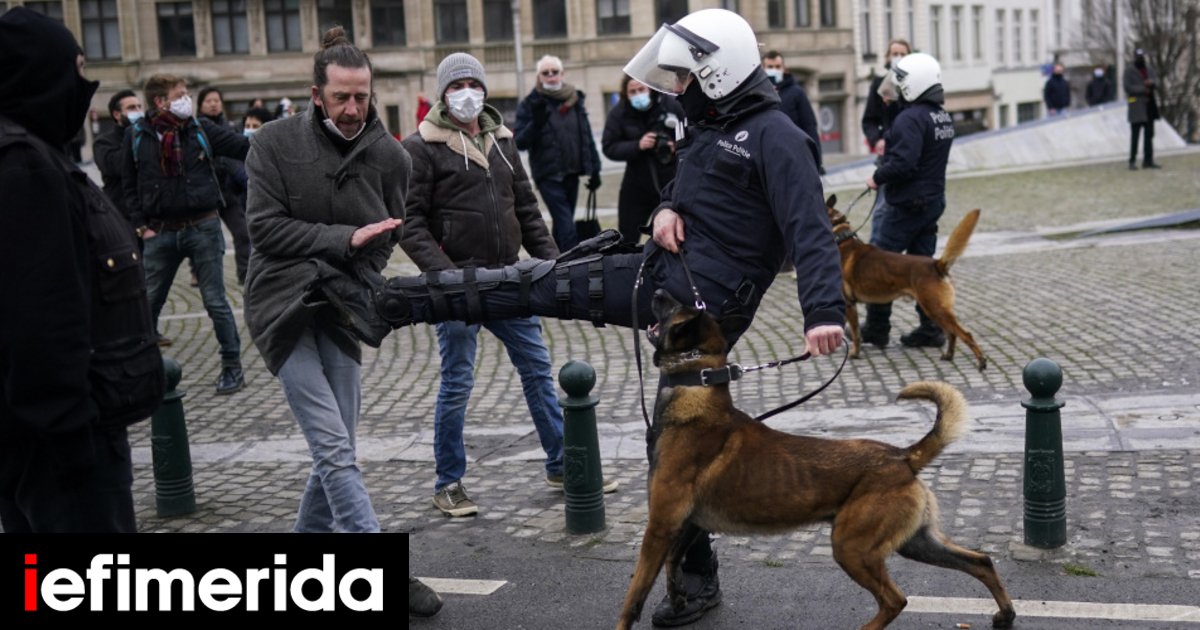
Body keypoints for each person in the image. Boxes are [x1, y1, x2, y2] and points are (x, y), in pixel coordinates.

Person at [318, 9, 844, 625]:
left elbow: (810, 227)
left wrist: (823, 311)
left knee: (666, 444)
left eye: (687, 75)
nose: (679, 86)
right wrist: (669, 208)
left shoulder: (777, 136)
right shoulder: (712, 122)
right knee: (533, 285)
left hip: (705, 311)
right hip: (664, 276)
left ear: (719, 72)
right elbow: (690, 183)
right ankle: (389, 305)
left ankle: (696, 585)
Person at [402, 53, 616, 518]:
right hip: (457, 288)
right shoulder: (421, 146)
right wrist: (444, 275)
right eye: (456, 85)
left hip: (509, 280)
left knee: (539, 371)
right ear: (442, 93)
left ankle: (562, 463)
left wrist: (558, 268)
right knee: (457, 382)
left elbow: (527, 210)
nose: (467, 93)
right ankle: (449, 481)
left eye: (472, 84)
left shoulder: (502, 140)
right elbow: (411, 223)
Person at [1, 7, 164, 532]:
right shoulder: (25, 168)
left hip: (42, 436)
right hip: (62, 446)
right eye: (76, 69)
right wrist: (69, 440)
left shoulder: (33, 156)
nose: (85, 85)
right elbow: (40, 318)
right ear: (43, 74)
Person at [243, 26, 410, 533]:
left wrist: (361, 265)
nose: (352, 109)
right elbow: (263, 228)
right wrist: (344, 240)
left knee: (337, 445)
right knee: (334, 446)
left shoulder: (391, 157)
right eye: (341, 98)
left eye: (362, 97)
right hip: (281, 306)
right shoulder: (272, 142)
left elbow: (389, 235)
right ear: (317, 95)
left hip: (342, 309)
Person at [121, 73, 250, 394]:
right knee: (148, 302)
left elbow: (243, 146)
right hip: (161, 232)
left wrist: (282, 131)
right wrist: (141, 226)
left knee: (215, 301)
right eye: (179, 95)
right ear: (160, 102)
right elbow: (128, 184)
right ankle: (142, 371)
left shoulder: (200, 128)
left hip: (203, 226)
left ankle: (232, 366)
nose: (186, 99)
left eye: (187, 94)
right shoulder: (137, 135)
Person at [863, 52, 956, 350]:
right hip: (931, 202)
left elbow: (903, 163)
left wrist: (877, 176)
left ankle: (876, 329)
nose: (897, 87)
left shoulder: (910, 119)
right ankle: (931, 328)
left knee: (879, 266)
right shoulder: (941, 116)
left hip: (903, 205)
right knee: (924, 268)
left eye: (901, 82)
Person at [514, 55, 602, 251]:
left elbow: (585, 134)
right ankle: (570, 262)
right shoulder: (531, 104)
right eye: (546, 73)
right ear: (539, 77)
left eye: (555, 72)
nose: (551, 76)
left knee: (564, 222)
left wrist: (595, 168)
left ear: (562, 74)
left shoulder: (575, 99)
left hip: (572, 172)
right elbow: (519, 142)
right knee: (566, 225)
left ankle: (556, 261)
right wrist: (535, 123)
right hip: (548, 175)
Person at [601, 74, 685, 245]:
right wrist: (637, 146)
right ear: (626, 94)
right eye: (633, 92)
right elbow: (609, 146)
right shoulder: (619, 113)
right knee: (627, 236)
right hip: (636, 182)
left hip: (670, 181)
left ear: (650, 89)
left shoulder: (671, 105)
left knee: (673, 231)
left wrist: (676, 146)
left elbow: (693, 135)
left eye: (641, 89)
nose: (638, 94)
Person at [198, 85, 252, 285]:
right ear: (201, 105)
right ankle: (199, 273)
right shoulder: (197, 127)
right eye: (208, 101)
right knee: (205, 240)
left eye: (216, 100)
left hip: (228, 192)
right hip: (207, 194)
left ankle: (245, 274)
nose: (213, 104)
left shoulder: (229, 127)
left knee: (243, 233)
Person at [761, 50, 823, 174]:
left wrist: (816, 159)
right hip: (766, 155)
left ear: (784, 68)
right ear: (763, 69)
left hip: (794, 154)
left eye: (778, 67)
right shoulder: (758, 93)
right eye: (770, 67)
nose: (774, 70)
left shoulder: (796, 93)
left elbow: (809, 126)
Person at [93, 89, 143, 211]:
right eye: (131, 108)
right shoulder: (103, 143)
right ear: (117, 114)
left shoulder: (146, 136)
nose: (138, 111)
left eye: (139, 107)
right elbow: (119, 166)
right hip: (121, 211)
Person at [862, 39, 911, 159]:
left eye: (903, 54)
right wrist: (877, 140)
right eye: (895, 54)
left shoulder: (916, 84)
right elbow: (869, 120)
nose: (899, 58)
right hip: (889, 149)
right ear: (887, 57)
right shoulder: (879, 84)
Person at [1125, 48, 1161, 170]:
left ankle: (1148, 160)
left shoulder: (1149, 69)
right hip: (1136, 107)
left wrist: (1152, 83)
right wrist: (1143, 88)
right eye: (1138, 56)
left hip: (1149, 105)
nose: (1141, 59)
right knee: (1135, 135)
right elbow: (1128, 87)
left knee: (1149, 135)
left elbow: (1157, 80)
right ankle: (1132, 160)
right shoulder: (1129, 70)